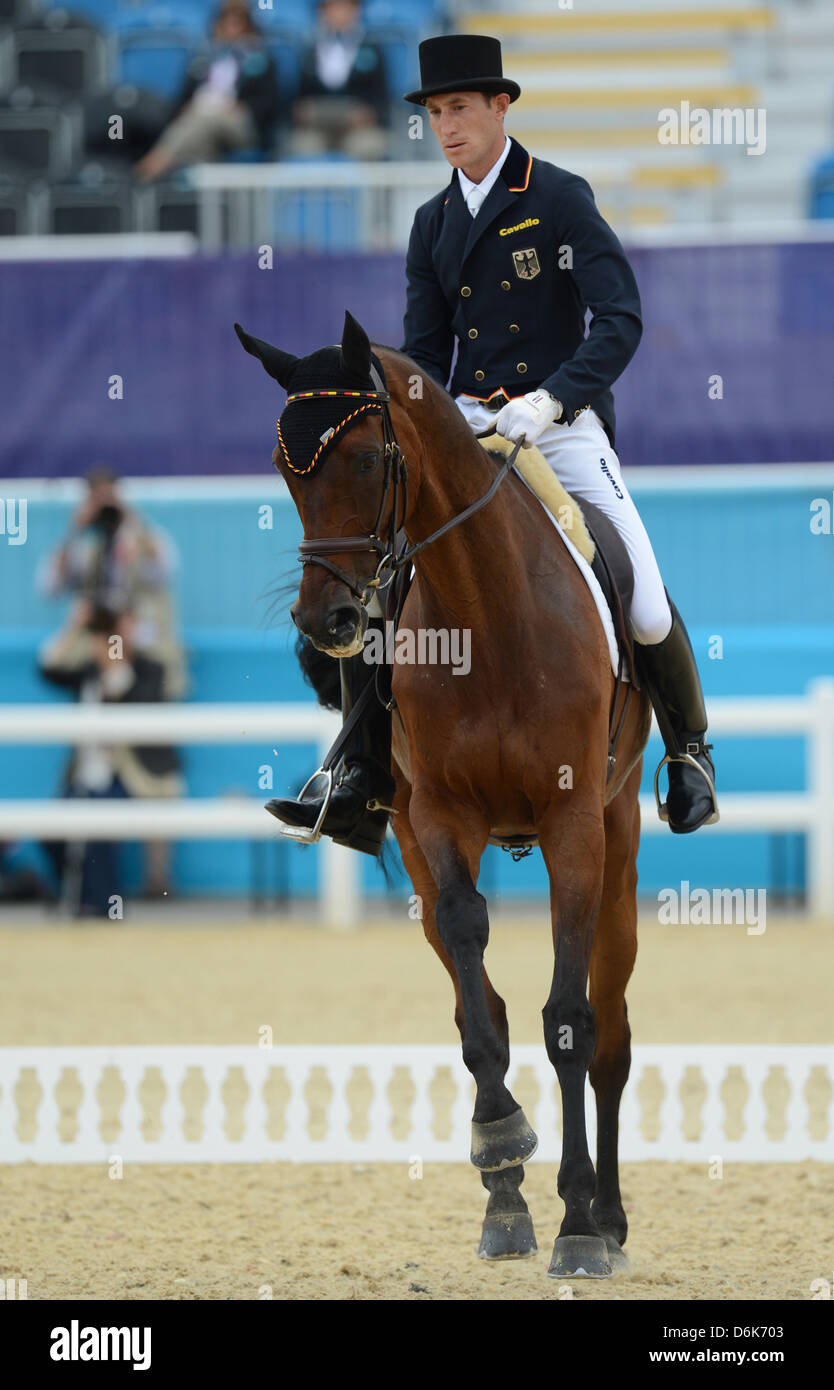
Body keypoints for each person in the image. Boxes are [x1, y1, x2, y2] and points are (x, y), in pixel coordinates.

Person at [268, 33, 719, 851]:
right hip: (468, 434)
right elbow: (425, 355)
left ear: (499, 107)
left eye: (460, 110)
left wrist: (553, 399)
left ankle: (689, 755)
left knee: (645, 597)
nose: (446, 127)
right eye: (435, 113)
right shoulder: (431, 223)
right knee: (388, 590)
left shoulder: (560, 198)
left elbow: (620, 320)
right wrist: (437, 416)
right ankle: (361, 771)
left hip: (562, 430)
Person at [38, 603, 183, 917]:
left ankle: (103, 907)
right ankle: (81, 896)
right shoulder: (86, 670)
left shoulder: (150, 667)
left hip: (133, 775)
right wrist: (74, 627)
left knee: (100, 831)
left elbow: (126, 688)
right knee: (50, 834)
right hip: (84, 777)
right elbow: (48, 668)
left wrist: (112, 654)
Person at [134, 0, 279, 182]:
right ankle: (196, 200)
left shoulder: (260, 61)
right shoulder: (202, 59)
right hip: (202, 120)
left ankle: (154, 164)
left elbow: (268, 104)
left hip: (240, 123)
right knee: (202, 138)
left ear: (248, 28)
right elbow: (182, 98)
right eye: (225, 23)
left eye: (236, 24)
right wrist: (189, 107)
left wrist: (237, 107)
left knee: (204, 117)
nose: (230, 30)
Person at [289, 0, 388, 159]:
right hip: (318, 126)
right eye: (331, 7)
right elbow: (300, 96)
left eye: (343, 7)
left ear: (356, 10)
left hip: (359, 127)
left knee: (367, 147)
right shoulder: (310, 49)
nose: (337, 13)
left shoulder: (373, 47)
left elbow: (382, 95)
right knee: (304, 147)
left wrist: (369, 114)